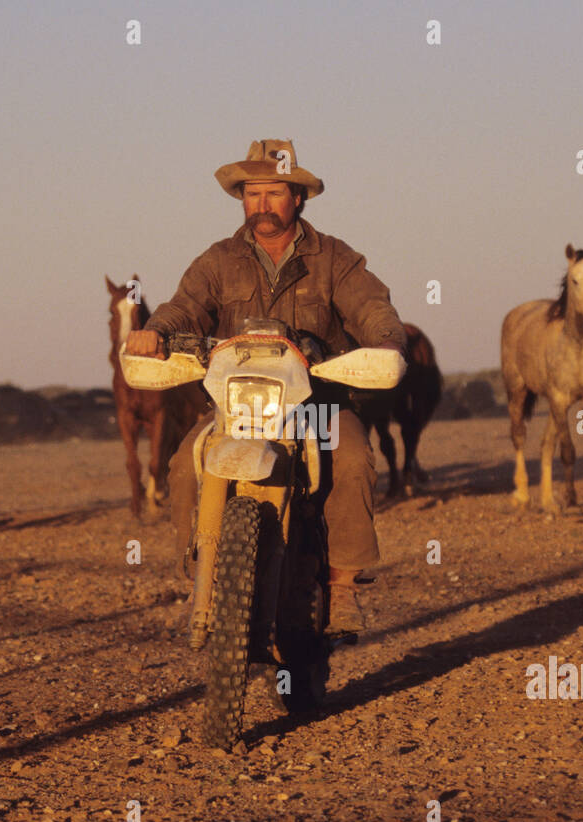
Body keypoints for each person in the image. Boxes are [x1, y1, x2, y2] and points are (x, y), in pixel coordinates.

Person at [124, 138, 406, 648]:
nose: (262, 205)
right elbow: (183, 307)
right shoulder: (218, 260)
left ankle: (342, 586)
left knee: (354, 458)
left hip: (314, 408)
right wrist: (156, 330)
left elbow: (371, 307)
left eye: (274, 193)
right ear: (242, 200)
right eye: (253, 194)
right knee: (186, 466)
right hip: (237, 411)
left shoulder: (336, 259)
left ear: (298, 198)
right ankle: (202, 575)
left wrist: (386, 337)